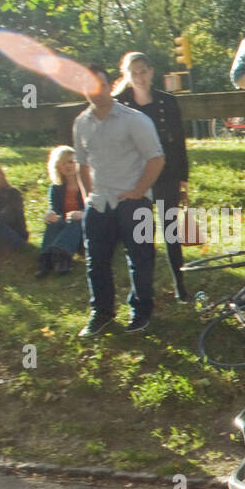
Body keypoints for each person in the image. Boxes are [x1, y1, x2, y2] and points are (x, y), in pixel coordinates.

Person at [72, 63, 165, 337]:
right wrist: (87, 195)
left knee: (141, 258)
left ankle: (141, 310)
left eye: (100, 84)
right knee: (96, 261)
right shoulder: (81, 123)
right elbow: (81, 164)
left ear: (110, 85)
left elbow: (156, 158)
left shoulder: (134, 119)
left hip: (133, 203)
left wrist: (138, 191)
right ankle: (101, 312)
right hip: (99, 204)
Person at [114, 51, 192, 301]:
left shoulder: (167, 102)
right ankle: (142, 293)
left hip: (167, 172)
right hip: (135, 175)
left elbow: (179, 141)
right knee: (141, 234)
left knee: (171, 230)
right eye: (134, 73)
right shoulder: (118, 104)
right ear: (126, 75)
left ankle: (180, 287)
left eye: (143, 71)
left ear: (151, 71)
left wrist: (183, 177)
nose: (139, 77)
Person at [38, 145, 83, 277]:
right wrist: (50, 214)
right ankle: (45, 260)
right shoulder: (56, 188)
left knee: (76, 222)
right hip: (65, 226)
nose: (67, 166)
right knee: (53, 223)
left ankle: (62, 257)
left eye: (70, 162)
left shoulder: (88, 184)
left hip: (85, 226)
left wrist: (82, 214)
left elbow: (98, 208)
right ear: (57, 167)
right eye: (62, 163)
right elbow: (55, 208)